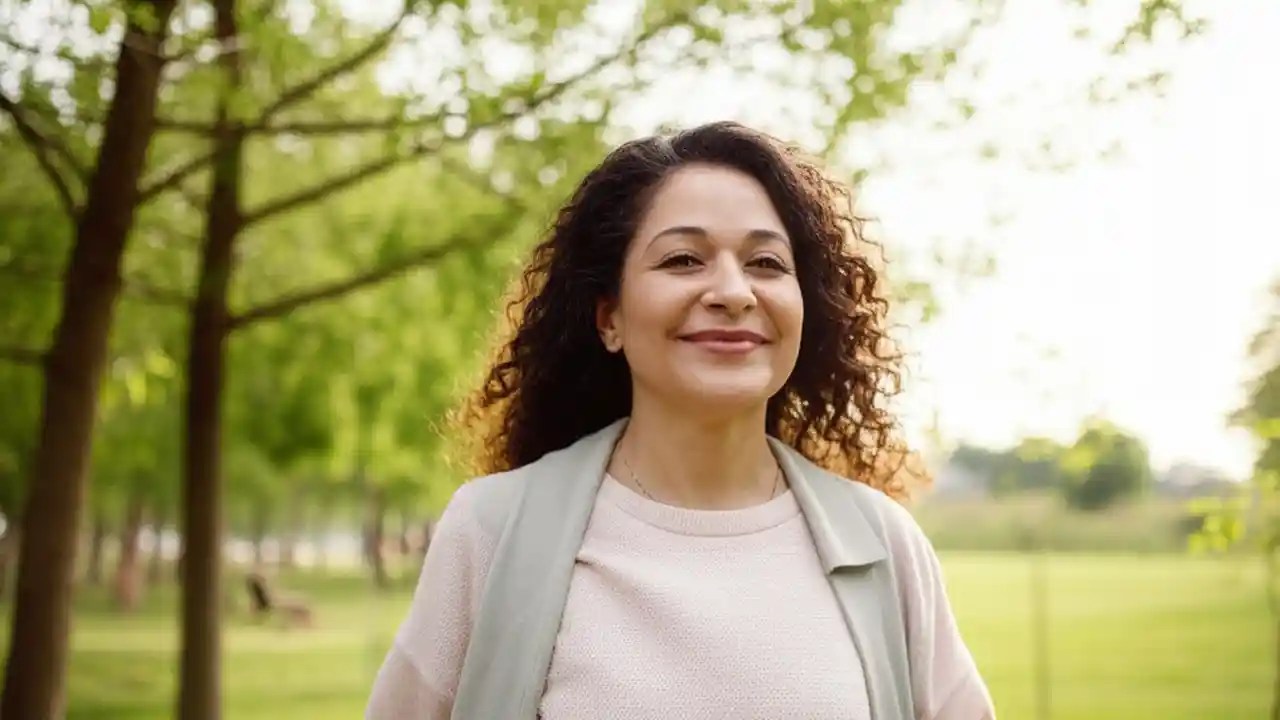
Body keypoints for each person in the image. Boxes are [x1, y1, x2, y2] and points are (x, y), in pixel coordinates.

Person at [366, 121, 995, 719]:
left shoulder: (884, 546)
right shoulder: (493, 531)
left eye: (767, 263)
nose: (733, 291)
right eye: (683, 261)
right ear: (609, 317)